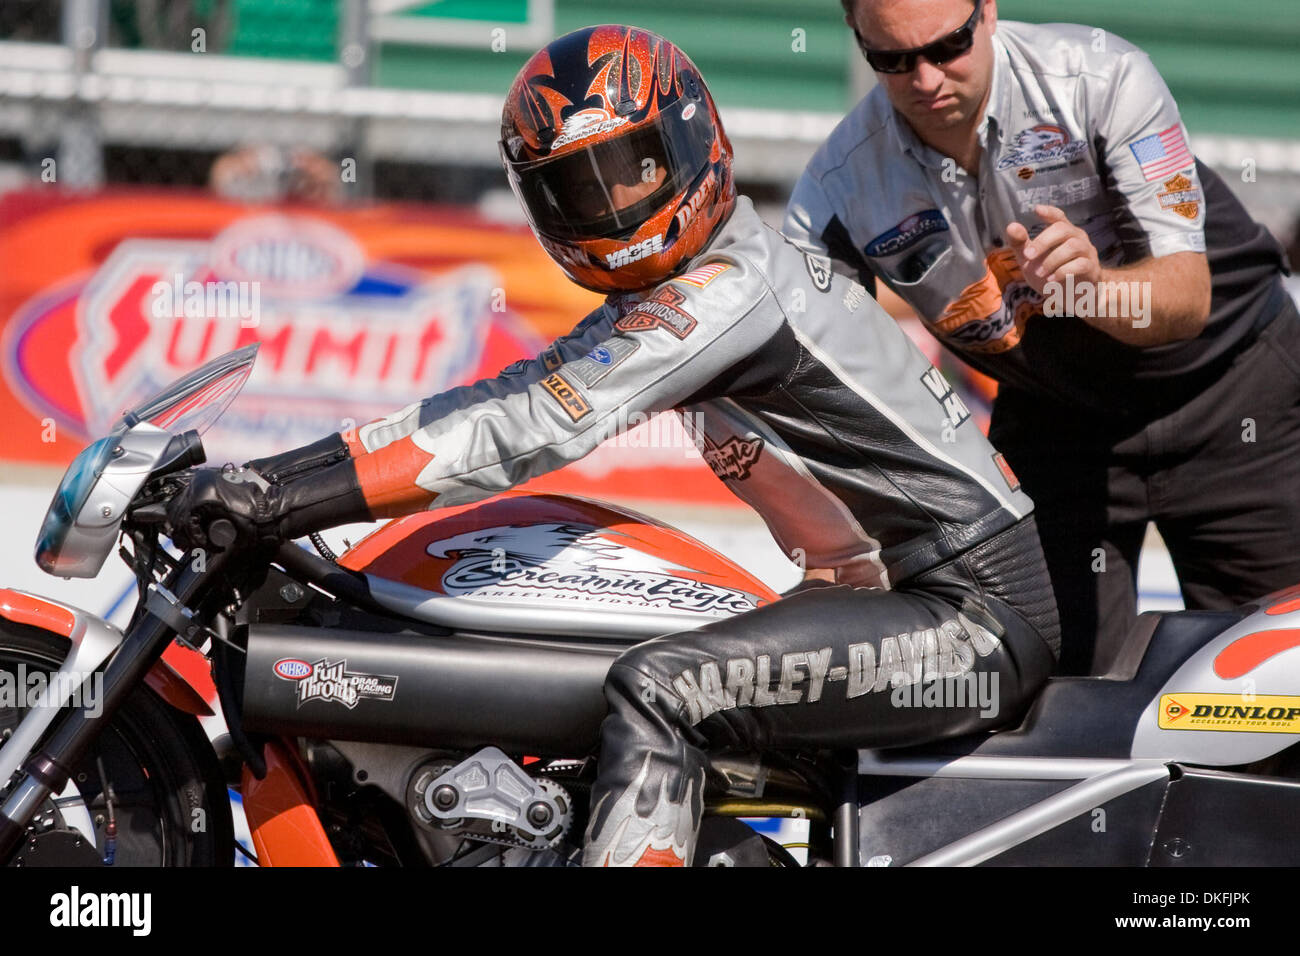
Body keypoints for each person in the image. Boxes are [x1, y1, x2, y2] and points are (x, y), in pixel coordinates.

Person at [165, 25, 1060, 867]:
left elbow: (534, 424)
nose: (612, 205)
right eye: (578, 188)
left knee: (664, 689)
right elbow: (499, 398)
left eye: (632, 169)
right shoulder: (692, 291)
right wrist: (278, 476)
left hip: (971, 617)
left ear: (689, 143)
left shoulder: (726, 294)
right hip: (899, 595)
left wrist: (281, 497)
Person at [784, 0, 1300, 676]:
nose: (928, 79)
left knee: (1277, 689)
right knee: (1044, 687)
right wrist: (828, 539)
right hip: (1056, 420)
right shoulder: (835, 191)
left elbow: (1188, 296)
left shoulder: (1102, 77)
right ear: (859, 42)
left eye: (949, 47)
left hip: (1233, 397)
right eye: (893, 60)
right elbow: (806, 377)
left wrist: (1092, 289)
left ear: (988, 11)